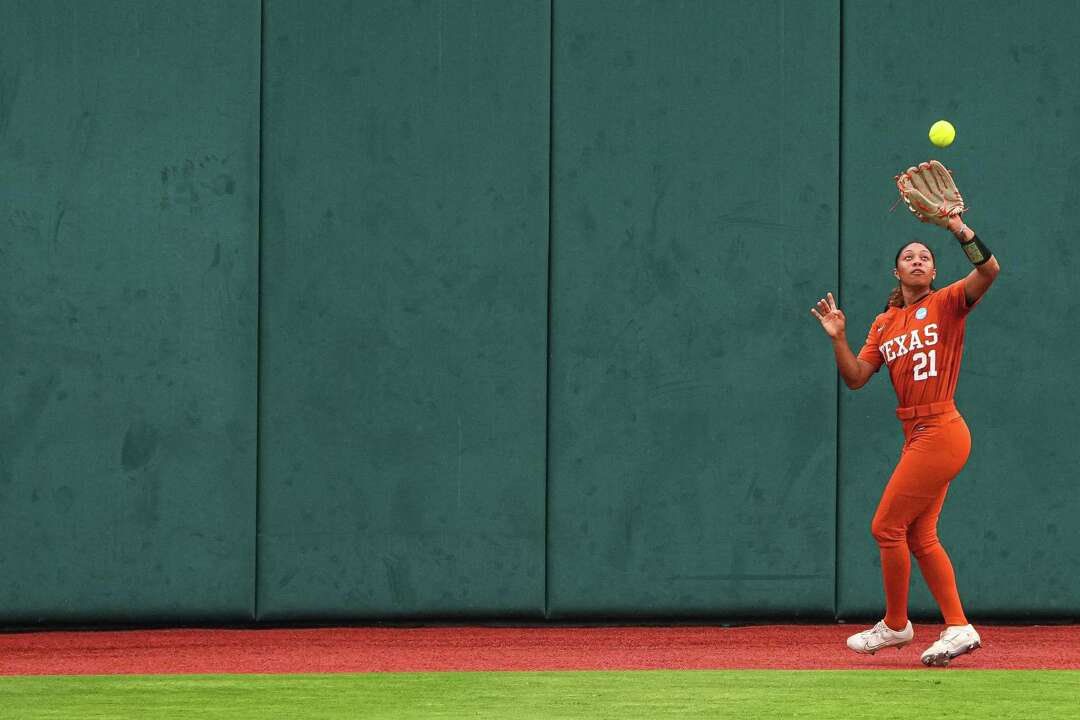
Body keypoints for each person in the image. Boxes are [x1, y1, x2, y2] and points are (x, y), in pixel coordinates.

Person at [810, 213, 1000, 666]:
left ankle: (897, 625)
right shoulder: (884, 322)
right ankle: (958, 627)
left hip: (942, 428)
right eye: (908, 257)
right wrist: (838, 338)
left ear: (934, 272)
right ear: (896, 272)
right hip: (916, 433)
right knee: (919, 534)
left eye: (925, 257)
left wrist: (958, 230)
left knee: (885, 527)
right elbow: (856, 378)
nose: (917, 261)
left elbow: (989, 270)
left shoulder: (949, 301)